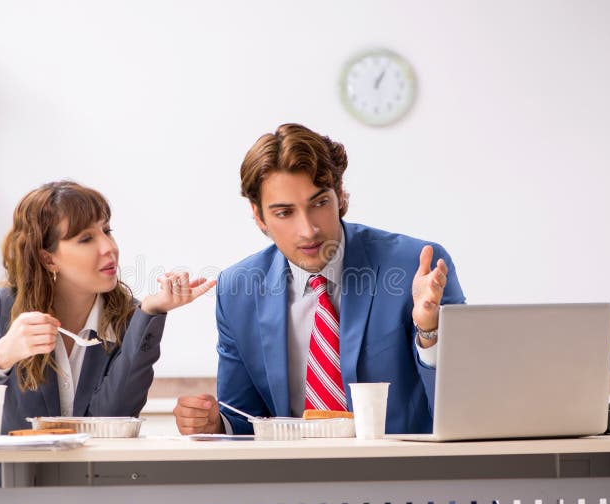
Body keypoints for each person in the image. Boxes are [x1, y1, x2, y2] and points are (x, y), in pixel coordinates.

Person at [0, 180, 215, 504]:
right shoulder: (5, 309)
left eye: (107, 231)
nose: (109, 247)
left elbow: (111, 420)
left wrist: (151, 312)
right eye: (86, 239)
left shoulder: (128, 317)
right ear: (47, 257)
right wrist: (2, 354)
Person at [173, 123, 465, 435]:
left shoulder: (415, 267)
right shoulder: (237, 291)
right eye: (285, 213)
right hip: (295, 475)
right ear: (258, 216)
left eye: (319, 203)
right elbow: (245, 418)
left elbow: (462, 404)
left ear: (339, 195)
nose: (308, 229)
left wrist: (430, 331)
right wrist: (215, 423)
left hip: (404, 474)